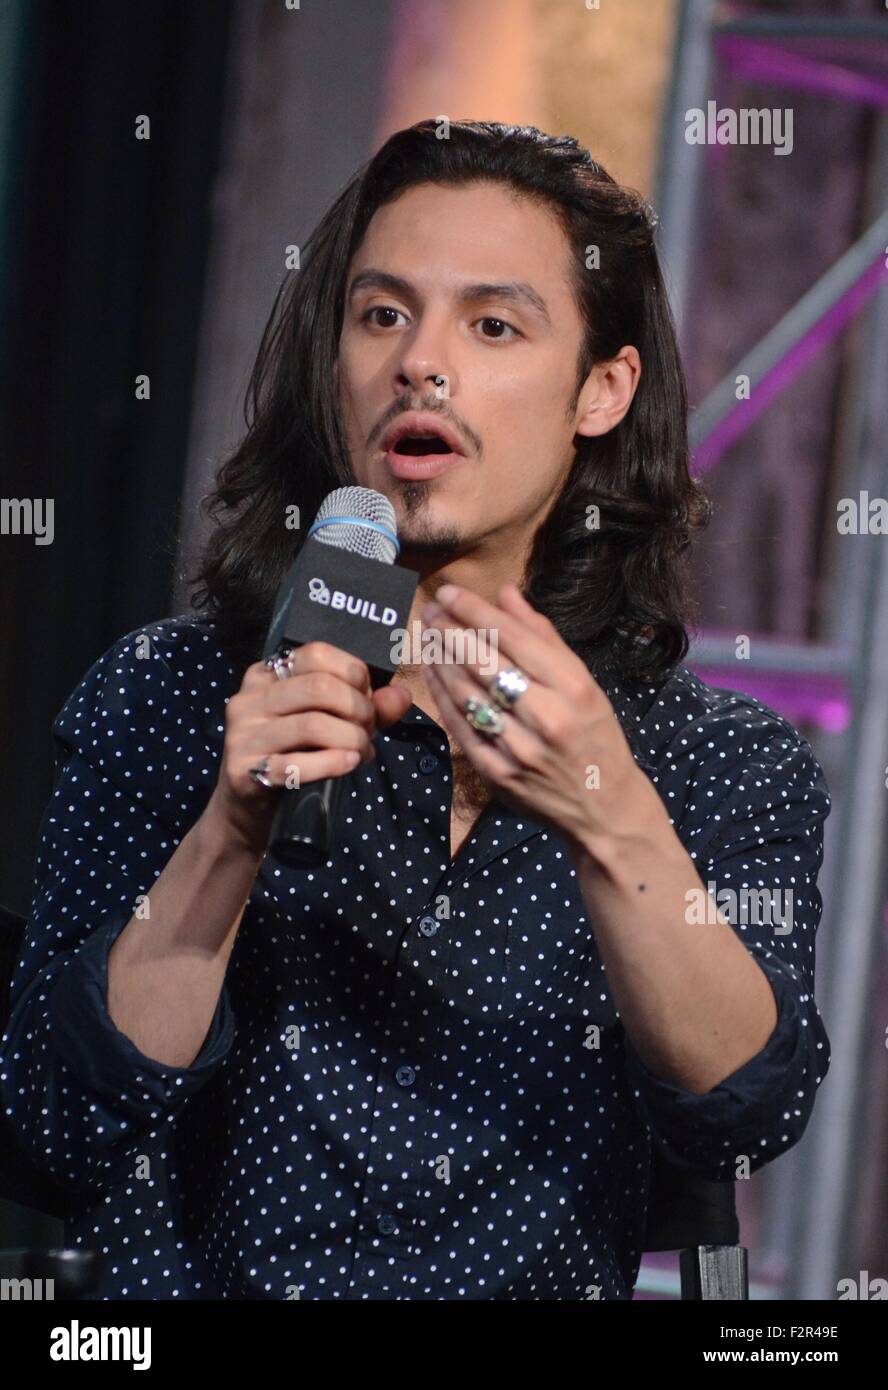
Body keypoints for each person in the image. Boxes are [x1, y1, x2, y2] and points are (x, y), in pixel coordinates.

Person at [0, 120, 831, 1300]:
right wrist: (230, 834)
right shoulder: (171, 695)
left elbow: (745, 1119)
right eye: (383, 314)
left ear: (604, 387)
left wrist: (611, 813)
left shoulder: (717, 763)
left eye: (492, 325)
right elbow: (57, 1127)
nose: (420, 365)